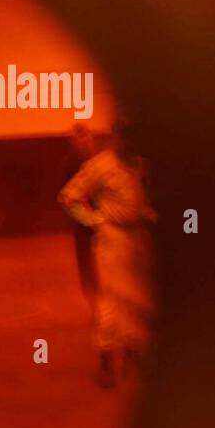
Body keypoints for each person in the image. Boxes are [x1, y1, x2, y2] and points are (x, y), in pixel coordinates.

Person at [58, 121, 156, 387]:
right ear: (117, 139)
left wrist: (148, 213)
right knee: (111, 300)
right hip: (112, 238)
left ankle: (134, 355)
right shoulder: (102, 165)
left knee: (138, 297)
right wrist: (93, 221)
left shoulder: (139, 164)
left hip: (139, 237)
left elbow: (143, 198)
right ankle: (107, 360)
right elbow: (68, 197)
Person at [60, 123, 99, 306]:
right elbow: (68, 198)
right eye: (80, 138)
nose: (85, 142)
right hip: (86, 224)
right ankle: (94, 303)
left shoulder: (100, 161)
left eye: (87, 137)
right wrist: (88, 220)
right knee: (87, 267)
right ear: (74, 142)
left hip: (101, 222)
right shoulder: (71, 164)